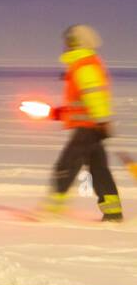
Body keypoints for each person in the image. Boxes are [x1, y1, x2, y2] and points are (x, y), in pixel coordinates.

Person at [43, 24, 123, 222]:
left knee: (65, 166)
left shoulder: (84, 64)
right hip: (91, 126)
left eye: (68, 41)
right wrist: (56, 113)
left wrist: (102, 120)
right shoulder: (83, 64)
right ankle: (113, 212)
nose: (65, 45)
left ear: (76, 43)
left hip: (88, 128)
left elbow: (93, 95)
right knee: (98, 170)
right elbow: (81, 103)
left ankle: (51, 211)